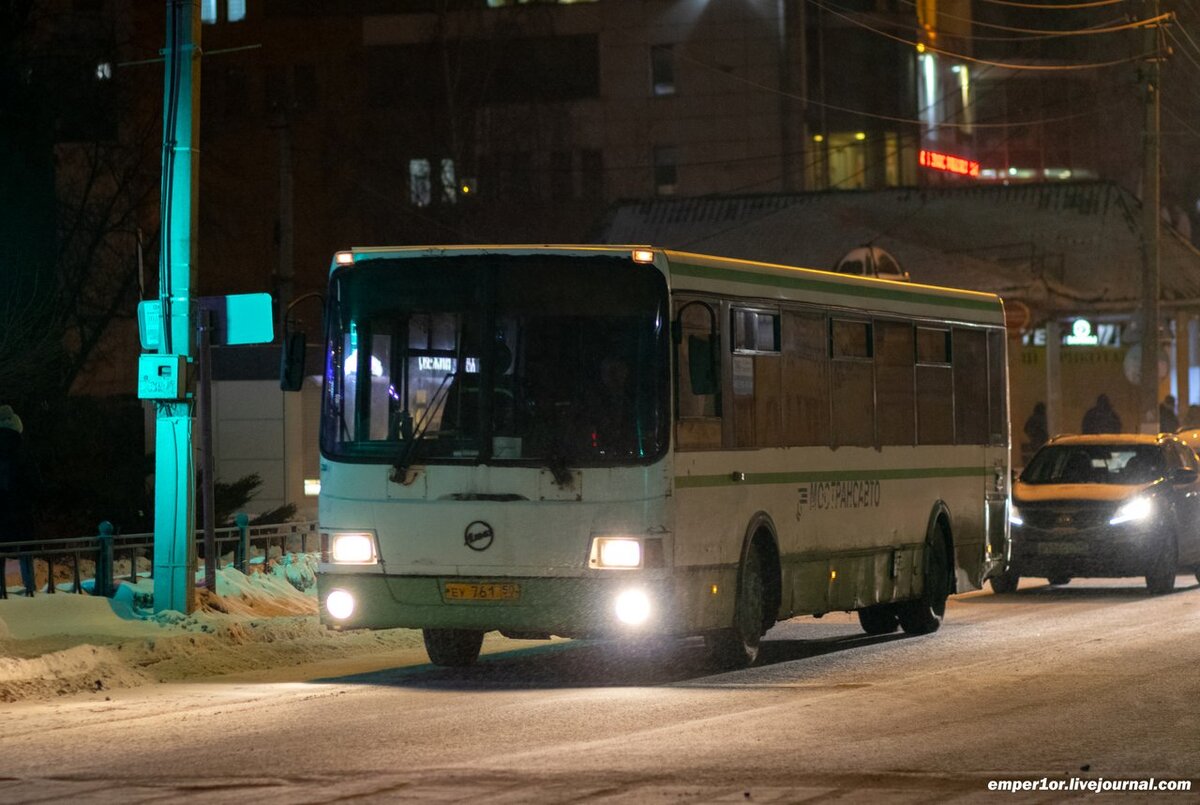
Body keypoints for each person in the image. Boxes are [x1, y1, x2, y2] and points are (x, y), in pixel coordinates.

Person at [0, 406, 39, 595]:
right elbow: (35, 483)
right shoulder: (23, 451)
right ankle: (29, 588)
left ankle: (1, 592)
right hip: (21, 511)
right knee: (26, 552)